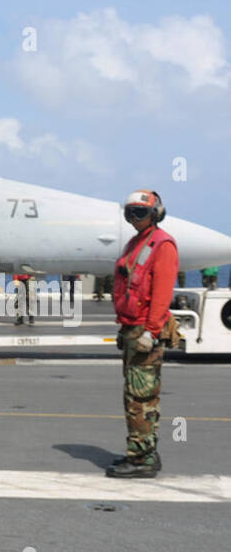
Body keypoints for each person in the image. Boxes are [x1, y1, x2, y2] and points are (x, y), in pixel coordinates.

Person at [108, 189, 179, 479]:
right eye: (130, 213)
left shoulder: (162, 245)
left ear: (155, 214)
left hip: (145, 331)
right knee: (134, 395)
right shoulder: (137, 243)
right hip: (132, 328)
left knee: (141, 397)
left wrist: (150, 332)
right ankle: (143, 450)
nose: (134, 218)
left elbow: (161, 294)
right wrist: (126, 329)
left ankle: (142, 459)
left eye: (141, 213)